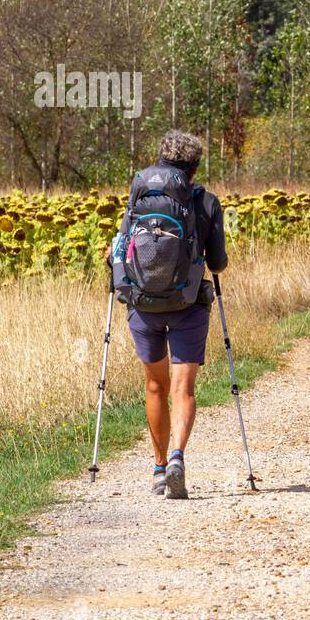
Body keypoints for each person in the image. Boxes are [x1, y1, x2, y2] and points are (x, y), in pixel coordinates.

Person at [114, 131, 227, 500]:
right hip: (188, 304)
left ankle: (159, 468)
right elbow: (218, 263)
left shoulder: (138, 198)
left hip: (143, 304)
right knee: (182, 388)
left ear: (159, 160)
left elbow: (120, 249)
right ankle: (178, 456)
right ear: (195, 167)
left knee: (155, 386)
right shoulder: (206, 202)